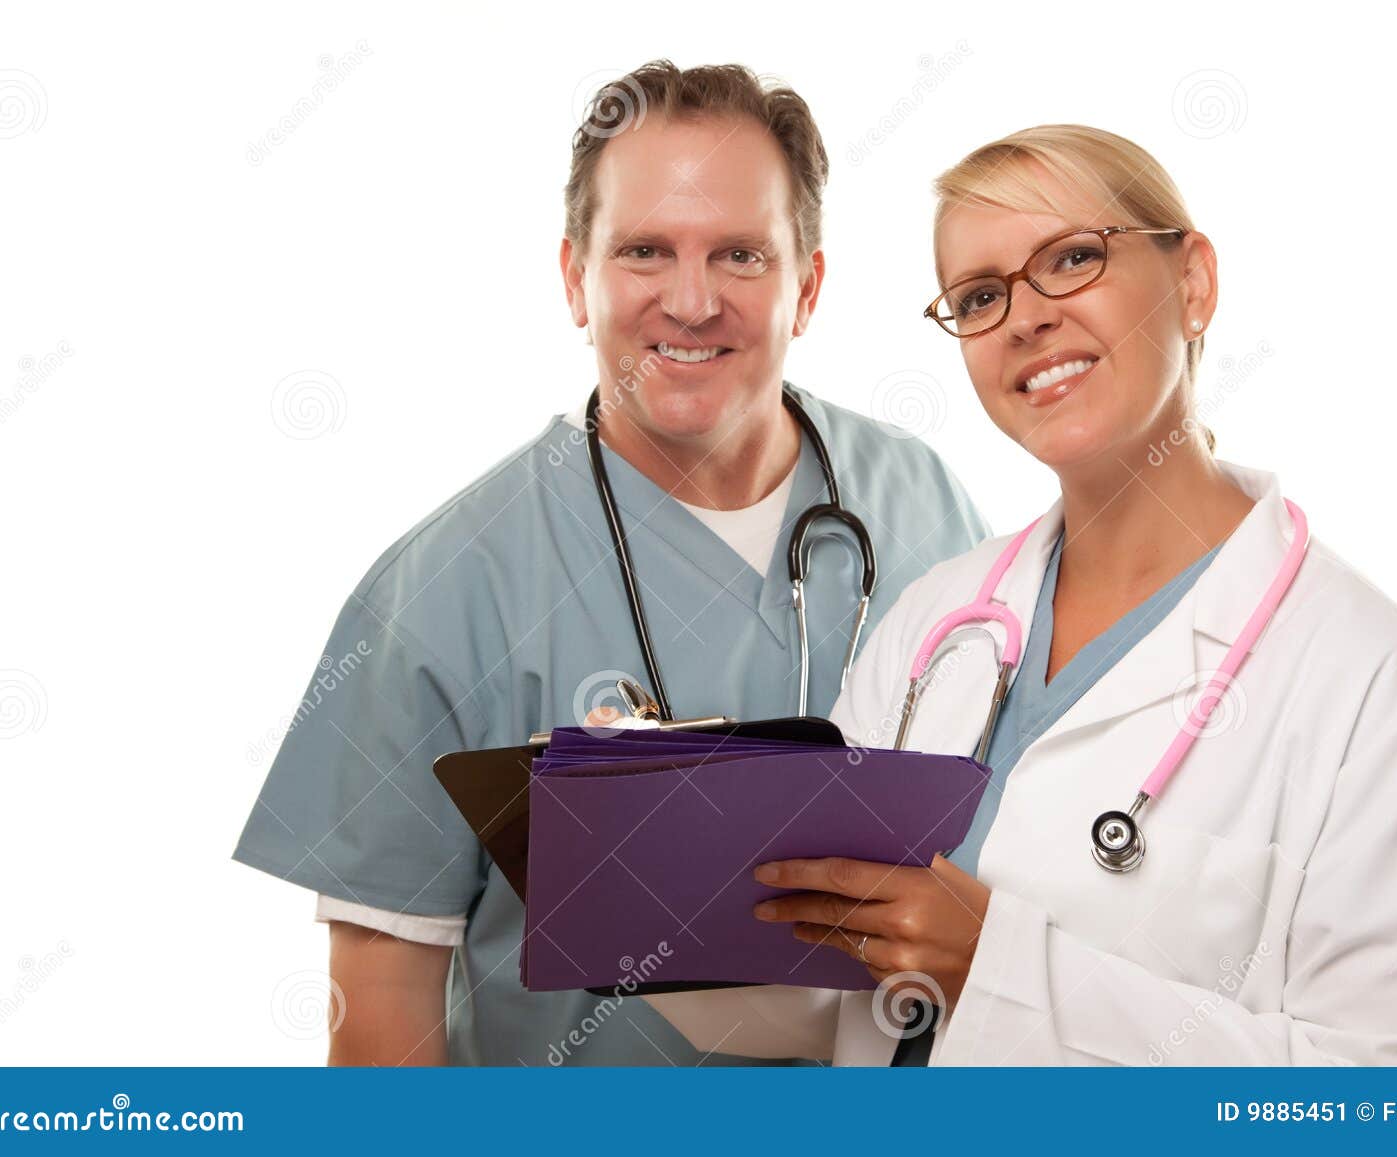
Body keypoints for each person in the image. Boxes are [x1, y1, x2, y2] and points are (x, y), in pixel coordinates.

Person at [648, 124, 1397, 1066]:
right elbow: (828, 998)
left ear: (1195, 285)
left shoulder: (1385, 696)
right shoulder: (933, 626)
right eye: (980, 296)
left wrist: (1004, 970)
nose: (1024, 318)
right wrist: (660, 880)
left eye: (1072, 258)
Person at [230, 61, 987, 1066]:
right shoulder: (445, 589)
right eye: (643, 250)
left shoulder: (925, 502)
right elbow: (380, 1036)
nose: (690, 298)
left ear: (806, 286)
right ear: (573, 278)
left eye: (740, 255)